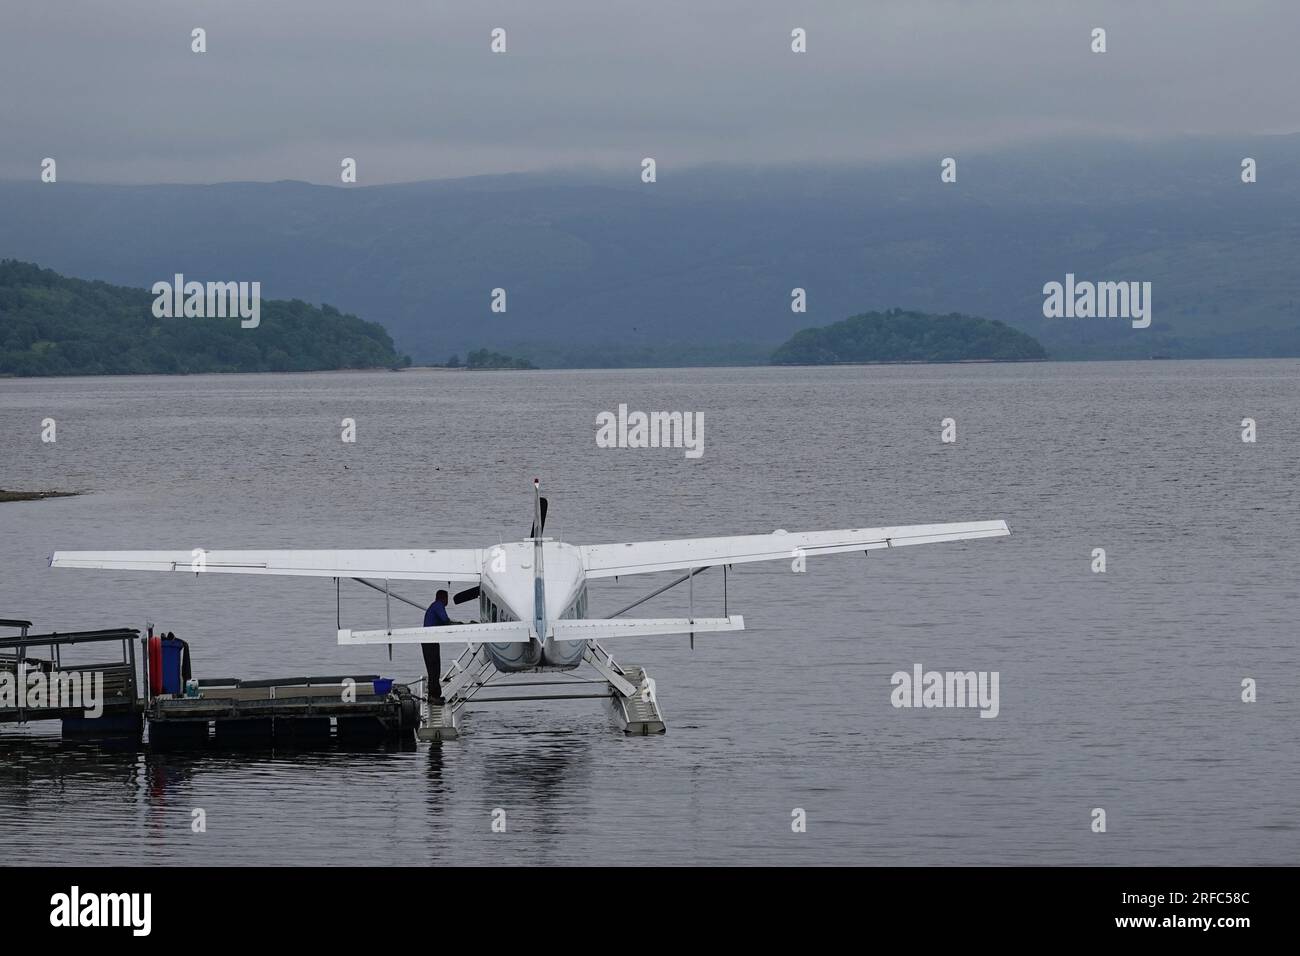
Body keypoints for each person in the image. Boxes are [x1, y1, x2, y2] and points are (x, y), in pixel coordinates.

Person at [422, 589, 457, 705]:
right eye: (447, 598)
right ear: (443, 598)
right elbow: (445, 620)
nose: (448, 601)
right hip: (429, 641)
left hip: (431, 640)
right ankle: (433, 697)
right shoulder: (438, 605)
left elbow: (442, 622)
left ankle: (435, 694)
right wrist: (457, 625)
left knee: (435, 668)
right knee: (434, 668)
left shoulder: (434, 606)